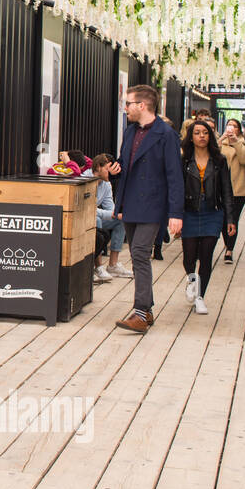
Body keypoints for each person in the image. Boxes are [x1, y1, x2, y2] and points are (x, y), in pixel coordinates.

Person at [107, 84, 183, 333]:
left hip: (153, 203)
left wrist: (175, 213)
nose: (125, 108)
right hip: (130, 203)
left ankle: (140, 312)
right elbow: (125, 164)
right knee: (138, 253)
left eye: (128, 104)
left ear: (142, 105)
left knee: (139, 252)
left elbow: (175, 176)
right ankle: (146, 312)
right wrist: (115, 170)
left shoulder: (166, 134)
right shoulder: (130, 132)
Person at [179, 118, 235, 315]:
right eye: (197, 133)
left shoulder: (219, 161)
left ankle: (200, 297)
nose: (201, 136)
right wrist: (174, 216)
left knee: (206, 255)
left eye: (205, 132)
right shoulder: (184, 160)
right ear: (191, 137)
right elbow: (177, 189)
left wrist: (230, 219)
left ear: (210, 136)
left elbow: (227, 190)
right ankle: (192, 280)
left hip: (213, 210)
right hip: (189, 211)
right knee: (189, 257)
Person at [217, 118, 245, 264]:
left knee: (233, 219)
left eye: (234, 126)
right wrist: (222, 139)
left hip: (239, 188)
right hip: (222, 187)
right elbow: (211, 155)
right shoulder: (220, 144)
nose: (231, 128)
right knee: (223, 218)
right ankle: (228, 243)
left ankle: (229, 250)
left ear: (239, 130)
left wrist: (236, 142)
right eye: (229, 125)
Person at [91, 153, 131, 282]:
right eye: (108, 168)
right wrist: (112, 214)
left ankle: (113, 265)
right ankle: (97, 266)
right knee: (96, 220)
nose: (111, 173)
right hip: (84, 218)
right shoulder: (85, 179)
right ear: (98, 167)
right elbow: (88, 209)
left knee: (120, 221)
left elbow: (110, 207)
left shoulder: (106, 183)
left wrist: (117, 213)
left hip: (97, 215)